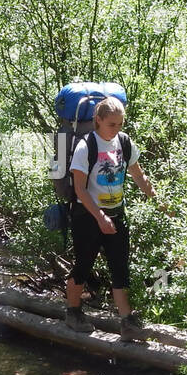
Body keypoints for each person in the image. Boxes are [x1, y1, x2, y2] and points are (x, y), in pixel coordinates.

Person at [62, 96, 157, 341]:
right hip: (88, 216)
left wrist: (158, 200)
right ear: (98, 121)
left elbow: (138, 174)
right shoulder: (86, 146)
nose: (117, 129)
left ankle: (128, 323)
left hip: (117, 214)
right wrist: (100, 217)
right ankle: (73, 312)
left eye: (120, 123)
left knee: (119, 268)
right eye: (112, 124)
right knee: (83, 265)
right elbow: (80, 189)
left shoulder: (124, 142)